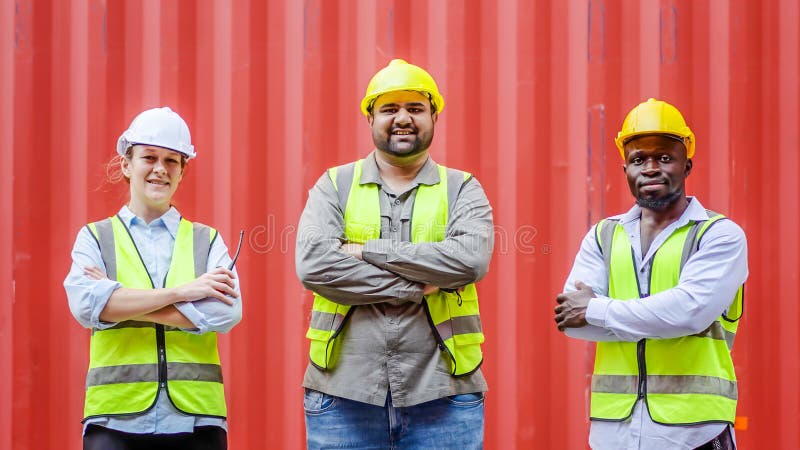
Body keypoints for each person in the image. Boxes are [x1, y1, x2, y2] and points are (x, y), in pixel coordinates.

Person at [295, 59, 494, 449]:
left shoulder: (462, 188)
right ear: (370, 117)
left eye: (415, 108)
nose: (403, 118)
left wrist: (365, 250)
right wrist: (415, 286)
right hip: (342, 394)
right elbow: (315, 266)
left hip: (445, 392)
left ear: (434, 116)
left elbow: (469, 260)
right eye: (389, 108)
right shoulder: (334, 185)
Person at [554, 98, 747, 450]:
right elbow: (572, 320)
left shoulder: (719, 235)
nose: (651, 168)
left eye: (664, 157)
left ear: (687, 165)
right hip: (613, 431)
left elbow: (690, 312)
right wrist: (656, 316)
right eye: (638, 159)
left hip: (694, 431)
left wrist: (598, 308)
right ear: (625, 169)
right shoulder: (603, 235)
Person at [64, 107, 243, 450]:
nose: (160, 169)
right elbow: (86, 306)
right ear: (127, 164)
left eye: (172, 160)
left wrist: (117, 304)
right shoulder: (94, 238)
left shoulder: (207, 240)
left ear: (182, 171)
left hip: (197, 421)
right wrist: (184, 293)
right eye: (149, 157)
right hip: (115, 421)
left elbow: (226, 313)